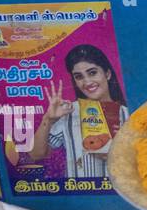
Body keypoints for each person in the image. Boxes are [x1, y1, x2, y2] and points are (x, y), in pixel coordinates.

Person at [25, 44, 129, 182]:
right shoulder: (68, 112)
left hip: (117, 196)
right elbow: (36, 154)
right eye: (79, 76)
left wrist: (117, 155)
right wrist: (48, 119)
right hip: (81, 193)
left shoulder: (129, 115)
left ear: (107, 74)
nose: (87, 82)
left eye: (92, 73)